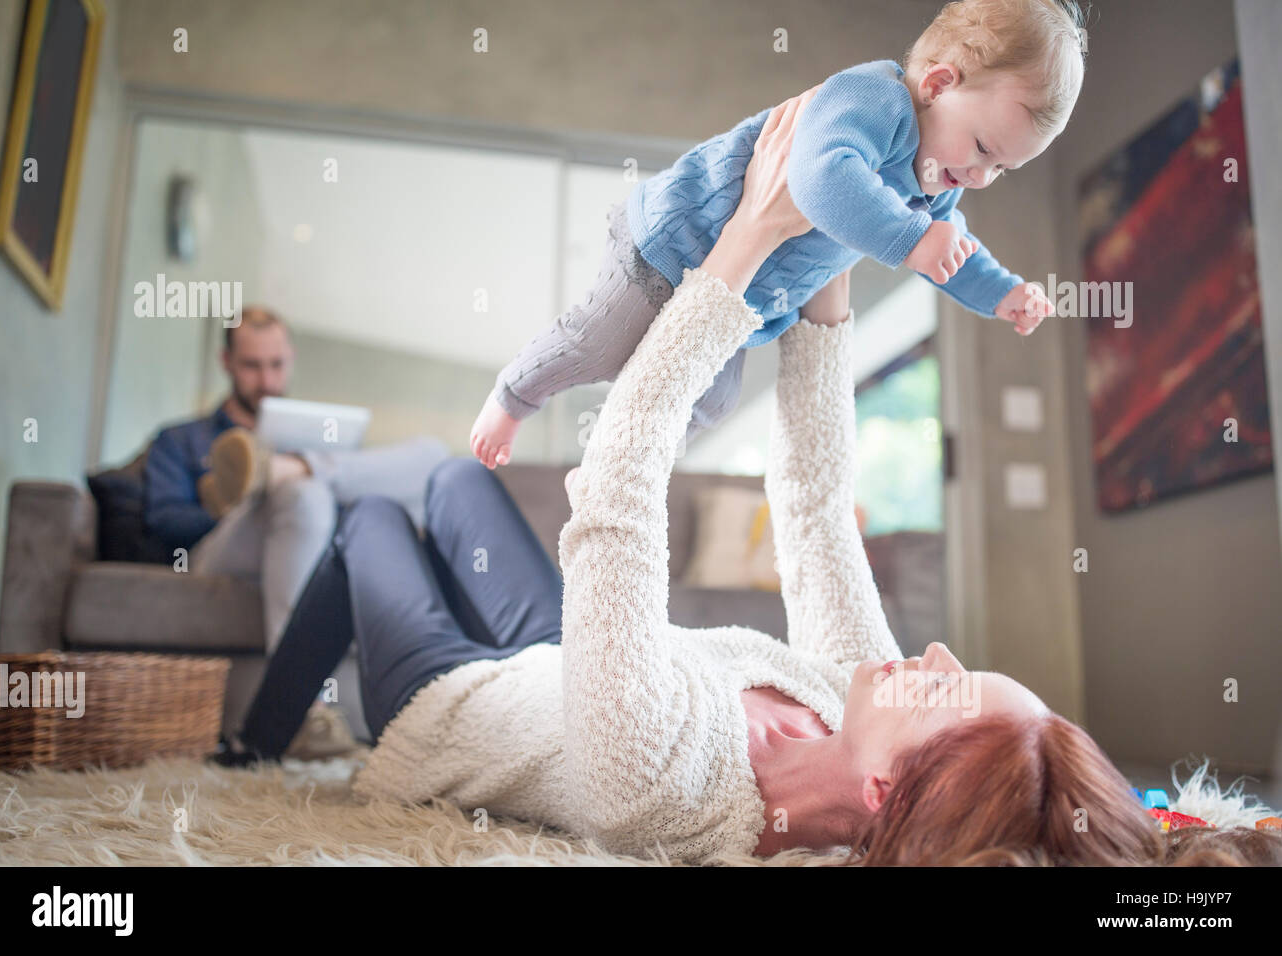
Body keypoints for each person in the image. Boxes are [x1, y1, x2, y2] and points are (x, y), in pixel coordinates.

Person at [211, 97, 1282, 866]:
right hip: (551, 648)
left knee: (371, 530)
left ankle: (245, 746)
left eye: (948, 687)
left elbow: (618, 473)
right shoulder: (858, 704)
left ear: (881, 792)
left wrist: (749, 241)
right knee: (450, 479)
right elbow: (815, 508)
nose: (938, 651)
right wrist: (825, 267)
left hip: (452, 698)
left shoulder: (659, 785)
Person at [468, 0, 1080, 470]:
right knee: (599, 346)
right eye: (982, 149)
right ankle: (513, 396)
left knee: (711, 403)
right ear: (939, 84)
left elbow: (954, 248)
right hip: (672, 245)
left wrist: (1000, 293)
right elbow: (818, 178)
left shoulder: (938, 184)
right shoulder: (875, 101)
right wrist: (915, 240)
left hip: (739, 304)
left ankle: (621, 462)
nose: (980, 177)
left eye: (1001, 169)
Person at [142, 308, 451, 655]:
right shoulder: (182, 439)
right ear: (226, 361)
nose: (267, 381)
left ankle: (287, 468)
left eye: (277, 365)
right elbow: (165, 522)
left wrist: (296, 468)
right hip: (222, 550)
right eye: (251, 366)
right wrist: (240, 503)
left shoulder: (317, 436)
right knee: (301, 494)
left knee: (434, 456)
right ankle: (307, 698)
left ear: (291, 358)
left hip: (314, 540)